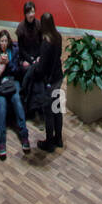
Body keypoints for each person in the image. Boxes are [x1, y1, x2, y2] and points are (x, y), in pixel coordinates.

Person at [0, 29, 31, 160]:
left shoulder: (14, 50)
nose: (3, 43)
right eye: (1, 41)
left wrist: (8, 64)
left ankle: (24, 136)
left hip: (12, 81)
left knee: (17, 102)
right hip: (1, 84)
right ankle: (1, 142)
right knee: (1, 108)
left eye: (5, 41)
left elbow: (17, 70)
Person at [31, 13, 64, 153]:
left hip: (49, 82)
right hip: (59, 77)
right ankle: (59, 139)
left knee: (48, 112)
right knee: (57, 109)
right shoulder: (58, 37)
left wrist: (36, 64)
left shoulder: (46, 43)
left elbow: (42, 68)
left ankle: (49, 142)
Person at [16, 1, 42, 111]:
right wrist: (31, 60)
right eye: (29, 12)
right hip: (26, 59)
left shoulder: (39, 25)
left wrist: (38, 57)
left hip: (37, 58)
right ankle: (32, 106)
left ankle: (29, 102)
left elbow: (42, 44)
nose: (31, 14)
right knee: (30, 71)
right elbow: (21, 49)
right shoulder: (21, 28)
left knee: (35, 75)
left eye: (32, 11)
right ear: (25, 14)